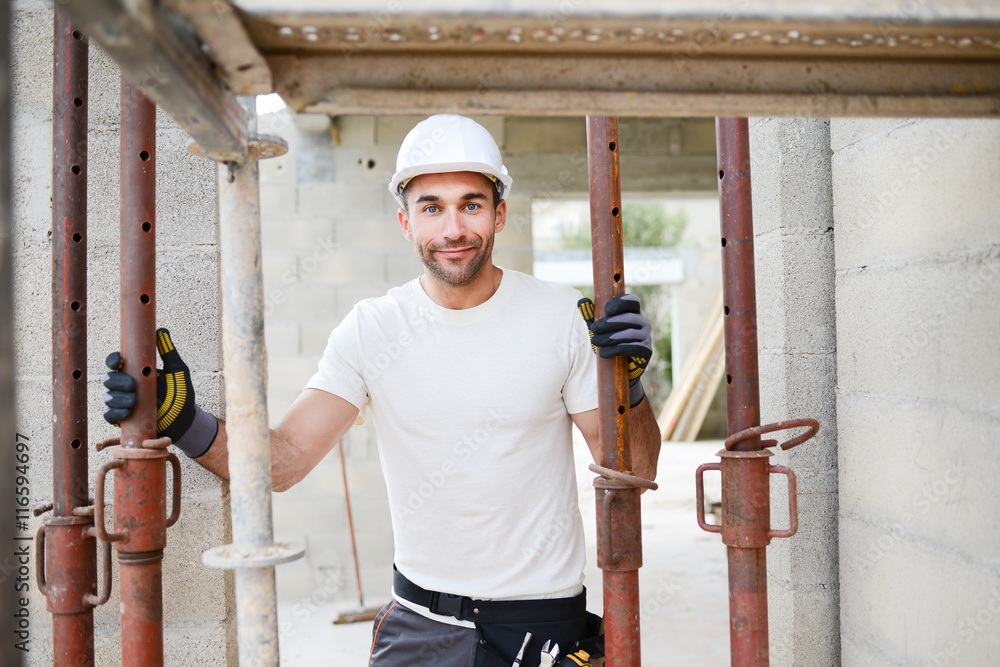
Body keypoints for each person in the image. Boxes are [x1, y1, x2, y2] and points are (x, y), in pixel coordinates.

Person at [103, 114, 661, 667]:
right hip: (420, 627)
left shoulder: (561, 315)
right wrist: (184, 422)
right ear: (405, 222)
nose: (453, 230)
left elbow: (634, 468)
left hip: (540, 627)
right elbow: (283, 462)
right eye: (431, 208)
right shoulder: (372, 329)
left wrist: (628, 390)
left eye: (470, 205)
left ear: (499, 214)